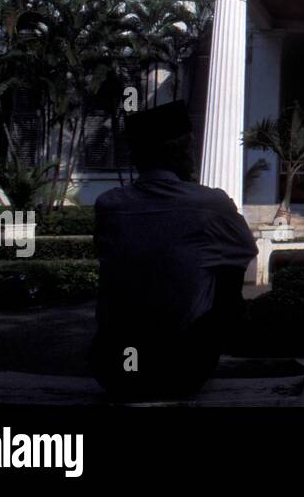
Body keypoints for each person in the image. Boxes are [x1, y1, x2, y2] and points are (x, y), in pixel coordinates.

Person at [90, 101, 257, 401]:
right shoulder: (210, 204)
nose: (194, 156)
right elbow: (240, 262)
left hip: (113, 366)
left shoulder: (108, 205)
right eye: (190, 147)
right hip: (180, 368)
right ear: (176, 152)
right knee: (224, 275)